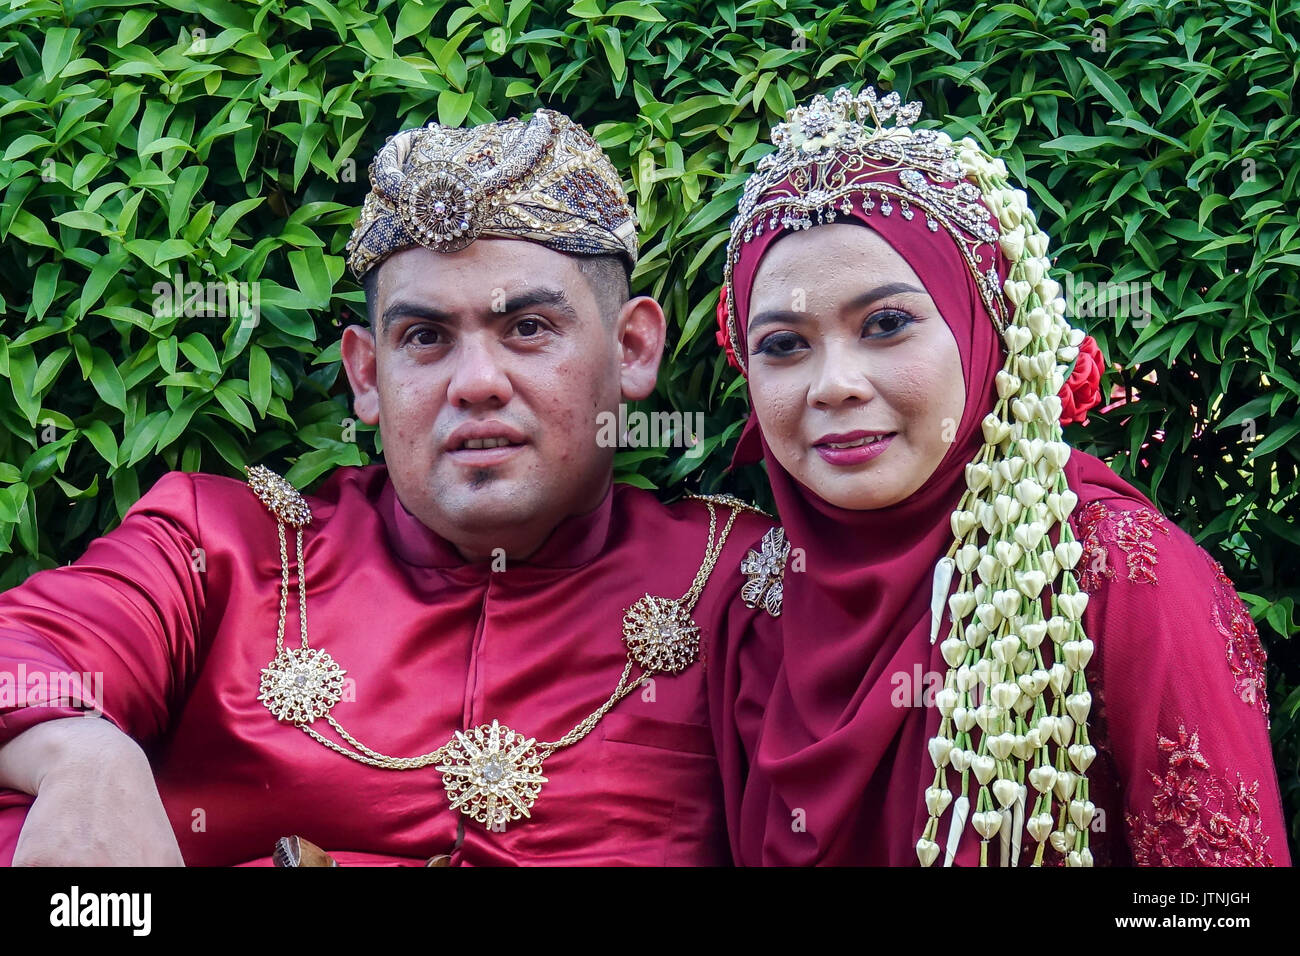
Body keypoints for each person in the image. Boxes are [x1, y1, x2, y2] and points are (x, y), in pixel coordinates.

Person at [0, 108, 777, 866]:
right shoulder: (220, 550)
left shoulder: (737, 582)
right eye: (426, 338)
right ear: (367, 375)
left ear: (633, 349)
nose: (475, 383)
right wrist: (78, 751)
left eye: (528, 329)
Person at [712, 87, 1290, 866]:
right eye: (784, 344)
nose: (833, 384)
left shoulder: (1113, 579)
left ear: (992, 334)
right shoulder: (752, 606)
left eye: (886, 324)